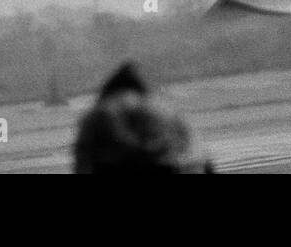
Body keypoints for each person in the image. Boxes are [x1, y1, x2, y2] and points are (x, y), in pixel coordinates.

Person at [73, 62, 213, 173]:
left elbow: (83, 163)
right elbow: (199, 156)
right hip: (172, 164)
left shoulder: (97, 114)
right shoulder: (165, 109)